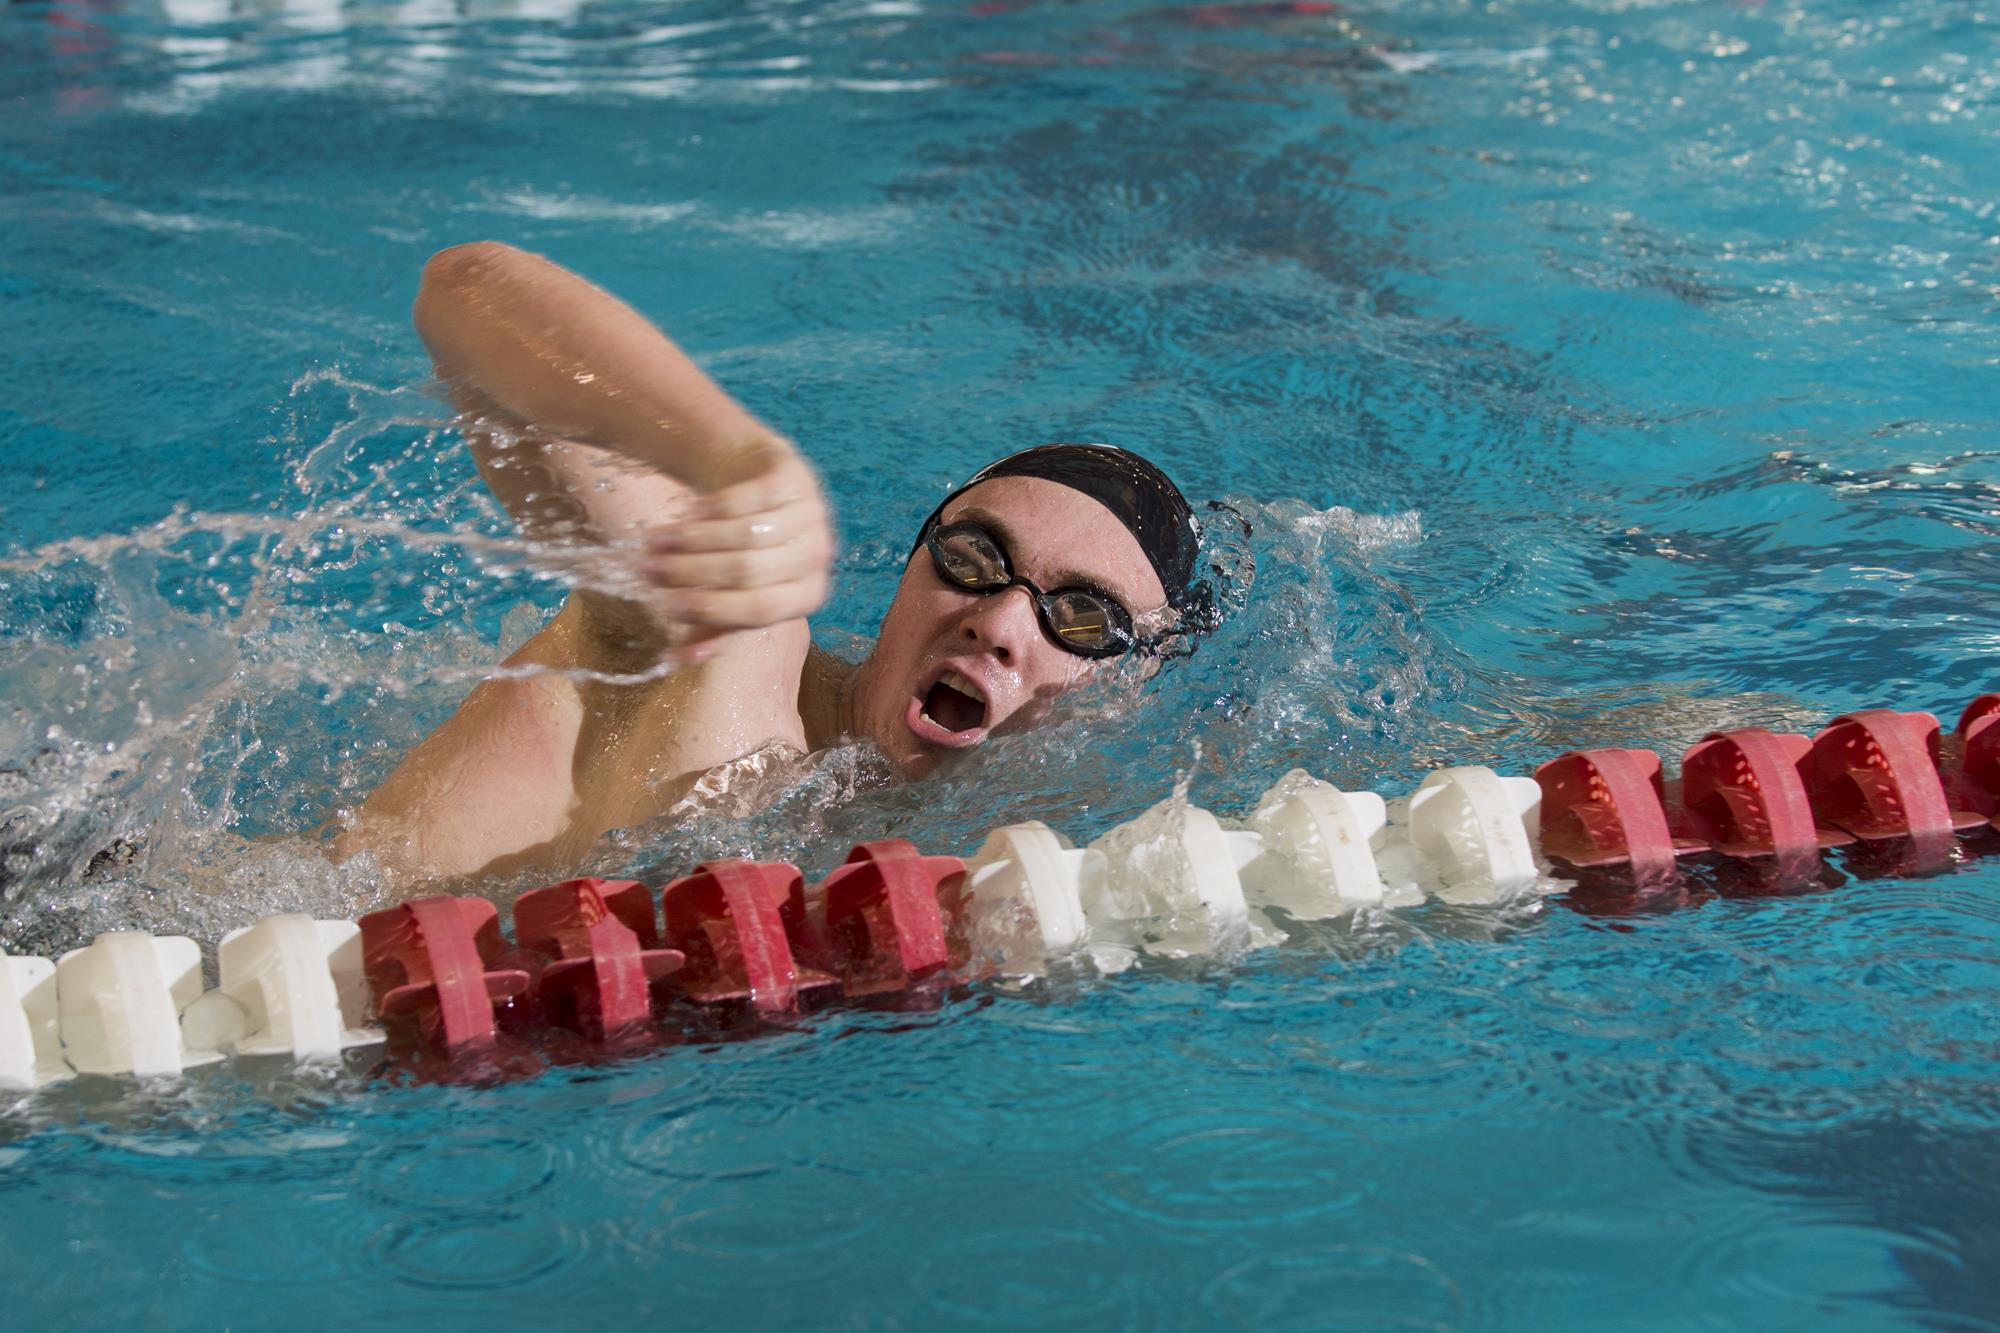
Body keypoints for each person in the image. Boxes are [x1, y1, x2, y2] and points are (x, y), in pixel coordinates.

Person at [333, 242, 1205, 887]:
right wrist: (727, 457)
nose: (1001, 620)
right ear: (907, 576)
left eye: (1083, 619)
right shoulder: (732, 640)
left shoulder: (1065, 854)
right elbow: (463, 296)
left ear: (1130, 688)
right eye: (974, 556)